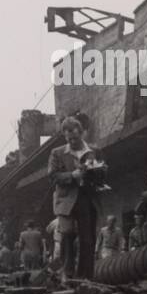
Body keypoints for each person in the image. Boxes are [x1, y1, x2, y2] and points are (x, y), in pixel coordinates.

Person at [47, 115, 100, 280]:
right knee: (68, 235)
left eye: (75, 137)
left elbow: (101, 174)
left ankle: (86, 277)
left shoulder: (93, 151)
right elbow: (53, 176)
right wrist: (73, 175)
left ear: (81, 133)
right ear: (65, 136)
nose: (72, 141)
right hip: (66, 200)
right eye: (68, 138)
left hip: (86, 198)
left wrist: (98, 171)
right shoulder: (57, 153)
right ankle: (68, 275)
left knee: (87, 239)